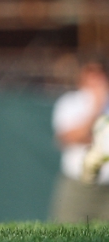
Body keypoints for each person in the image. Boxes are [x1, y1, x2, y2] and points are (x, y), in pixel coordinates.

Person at [50, 56, 109, 222]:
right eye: (90, 74)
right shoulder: (70, 102)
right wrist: (96, 109)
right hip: (79, 183)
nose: (96, 80)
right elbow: (69, 137)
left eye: (100, 74)